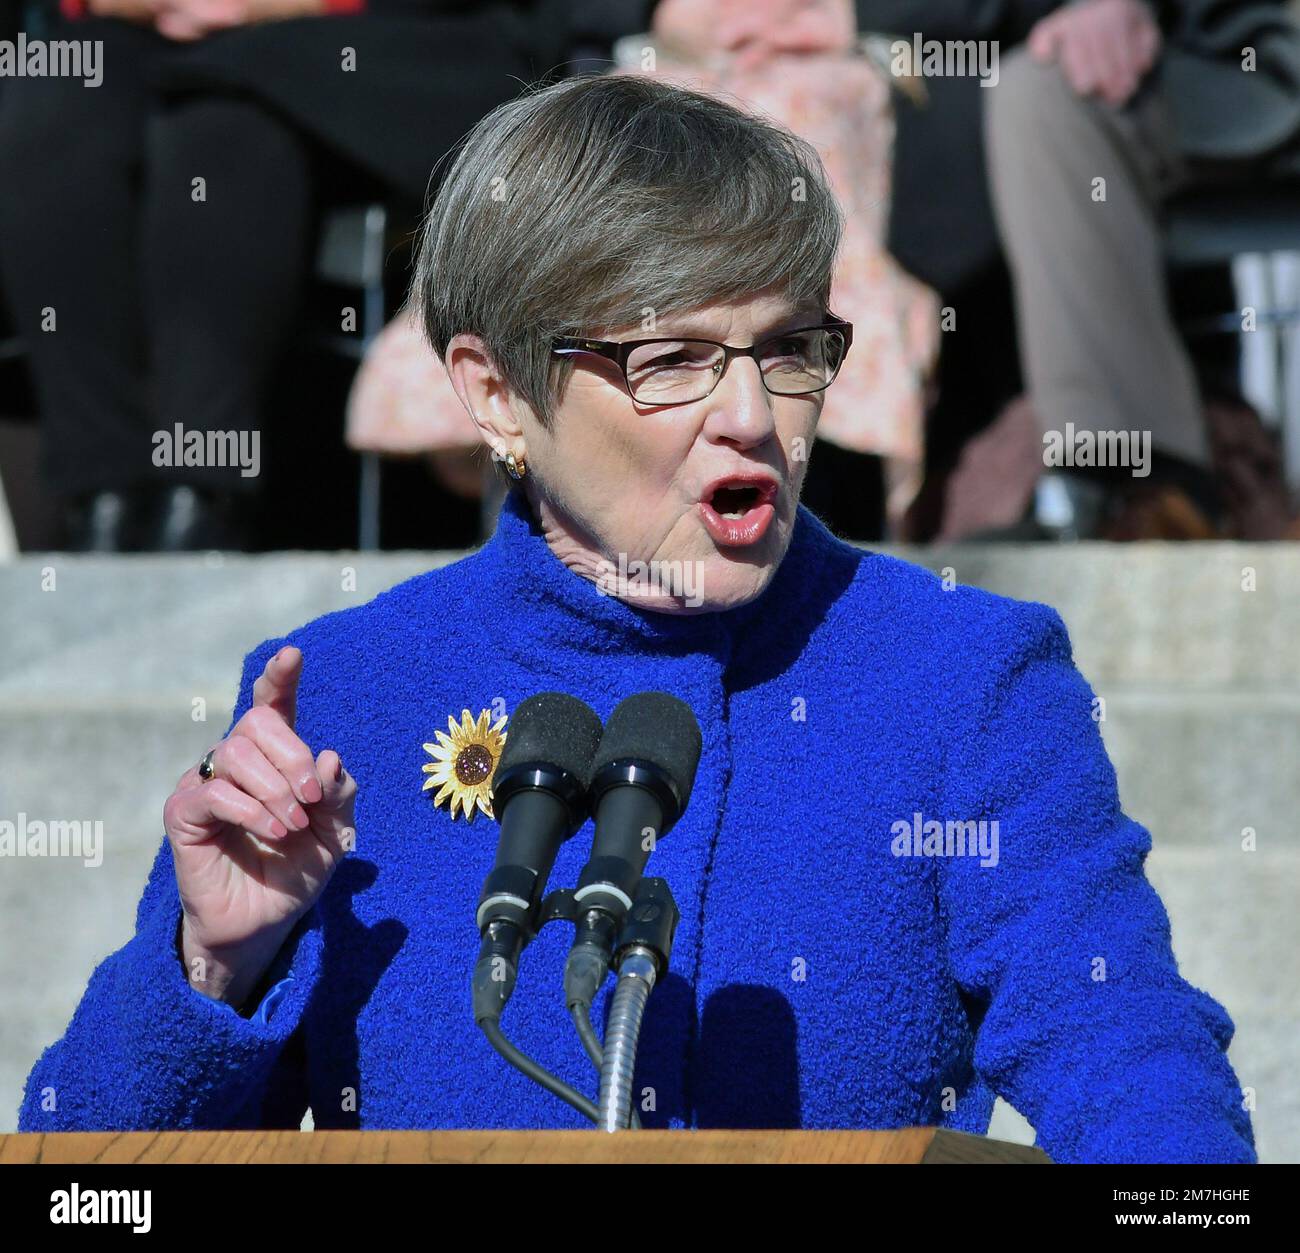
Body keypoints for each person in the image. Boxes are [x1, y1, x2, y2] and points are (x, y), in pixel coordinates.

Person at [19, 74, 1255, 1163]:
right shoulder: (346, 694)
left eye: (786, 349)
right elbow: (85, 1182)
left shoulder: (963, 678)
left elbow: (1135, 1061)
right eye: (670, 359)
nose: (752, 416)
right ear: (494, 394)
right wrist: (210, 965)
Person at [0, 0, 572, 551]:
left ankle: (202, 495)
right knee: (55, 103)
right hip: (144, 32)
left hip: (359, 40)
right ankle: (100, 490)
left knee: (219, 128)